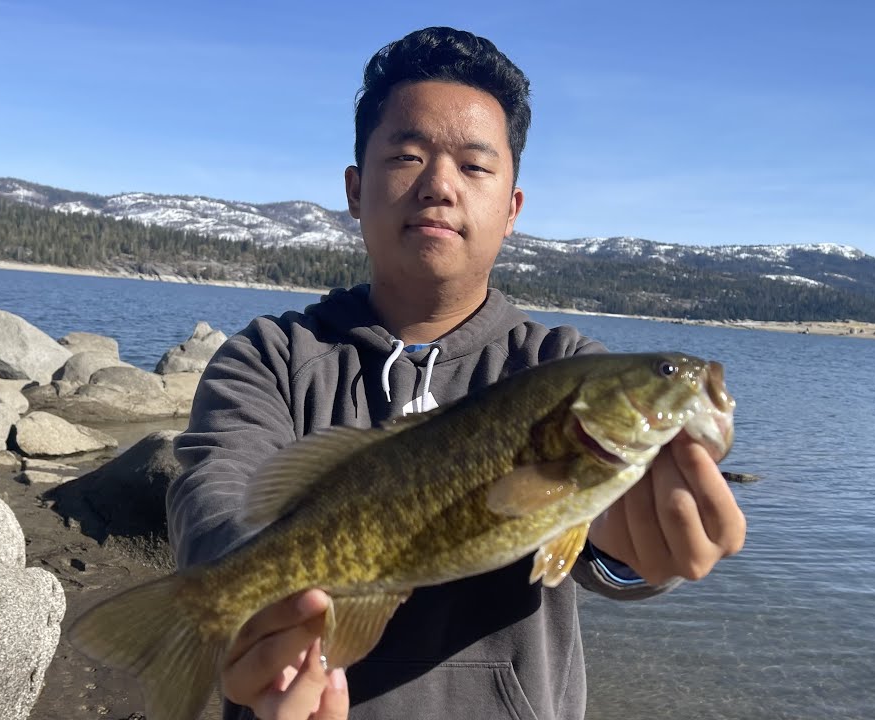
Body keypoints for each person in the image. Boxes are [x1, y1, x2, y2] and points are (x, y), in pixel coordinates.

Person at [166, 26, 746, 720]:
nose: (439, 186)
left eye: (474, 167)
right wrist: (251, 606)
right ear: (355, 190)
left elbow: (606, 548)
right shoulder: (267, 358)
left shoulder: (562, 368)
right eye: (408, 156)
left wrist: (638, 544)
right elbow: (215, 496)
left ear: (511, 210)